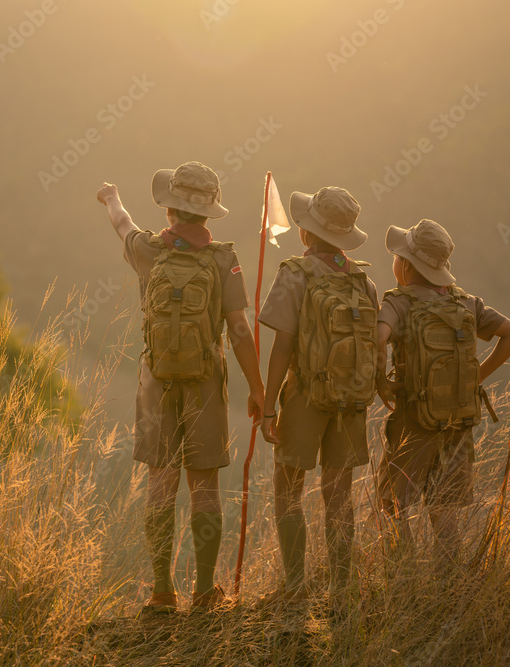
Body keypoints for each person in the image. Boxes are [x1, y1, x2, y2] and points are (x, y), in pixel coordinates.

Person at [96, 161, 265, 613]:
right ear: (210, 213)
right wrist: (259, 389)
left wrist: (111, 196)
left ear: (169, 209)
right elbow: (241, 331)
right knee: (205, 485)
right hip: (206, 379)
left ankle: (161, 592)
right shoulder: (224, 259)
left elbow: (122, 224)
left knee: (160, 482)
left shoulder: (148, 250)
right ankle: (206, 591)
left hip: (157, 380)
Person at [374, 219, 510, 569]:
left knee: (393, 502)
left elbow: (379, 337)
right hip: (458, 420)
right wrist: (475, 378)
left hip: (415, 420)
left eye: (398, 256)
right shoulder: (466, 302)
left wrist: (381, 381)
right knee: (443, 511)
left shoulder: (400, 303)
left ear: (407, 266)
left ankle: (402, 578)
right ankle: (448, 587)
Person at [258, 186, 378, 607]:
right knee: (339, 494)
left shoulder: (295, 272)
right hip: (351, 401)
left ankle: (294, 590)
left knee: (289, 488)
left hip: (305, 395)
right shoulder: (363, 280)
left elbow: (282, 347)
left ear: (307, 234)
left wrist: (269, 404)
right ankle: (342, 591)